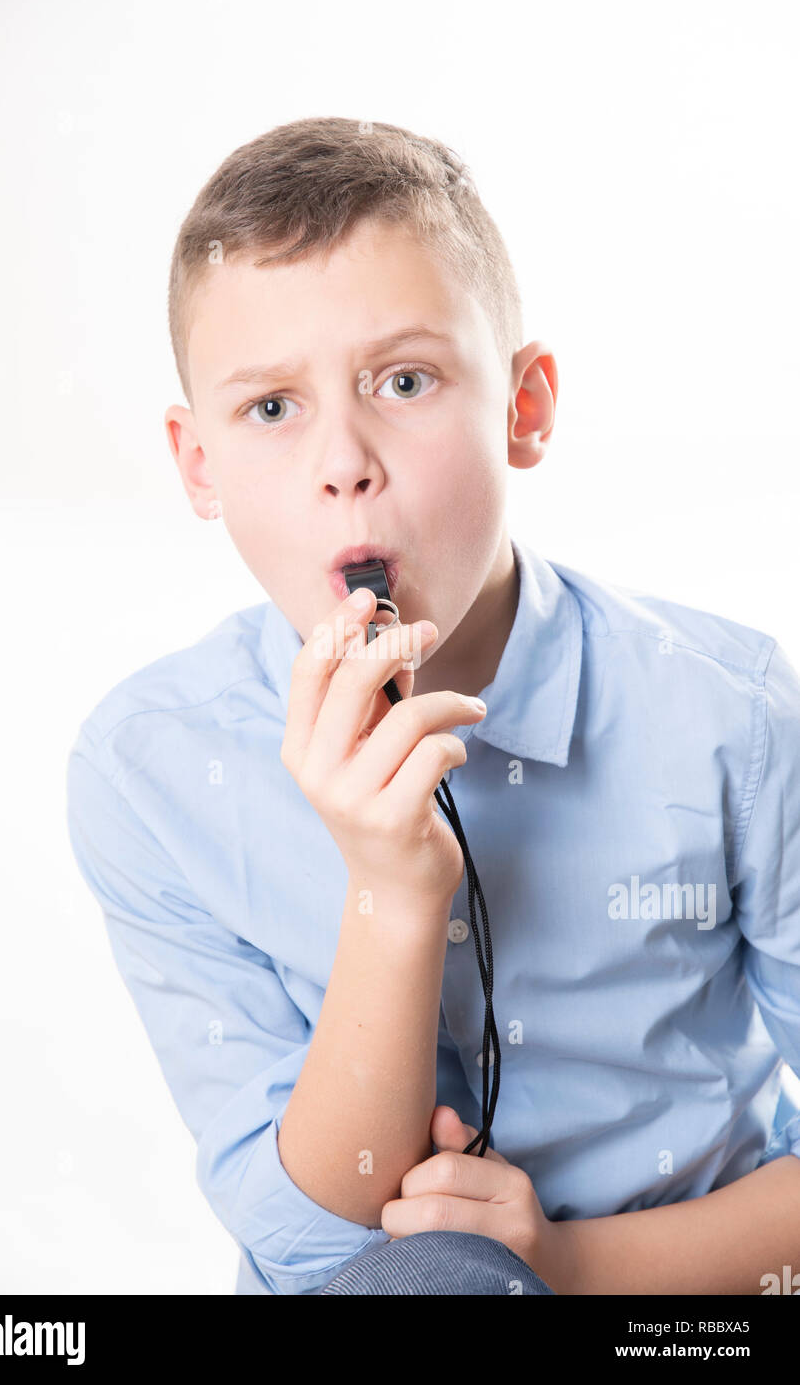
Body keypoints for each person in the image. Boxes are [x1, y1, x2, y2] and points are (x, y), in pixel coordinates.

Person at [66, 116, 800, 1296]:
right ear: (196, 463)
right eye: (270, 409)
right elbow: (311, 1249)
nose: (341, 462)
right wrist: (391, 896)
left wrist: (569, 1265)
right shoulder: (148, 766)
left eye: (402, 382)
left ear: (524, 407)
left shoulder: (732, 715)